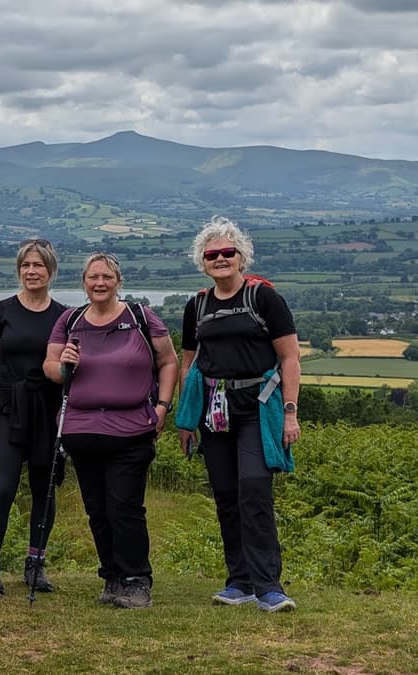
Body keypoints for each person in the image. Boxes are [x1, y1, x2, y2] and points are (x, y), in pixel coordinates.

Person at [177, 216, 301, 613]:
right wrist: (185, 419)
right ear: (202, 262)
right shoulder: (197, 306)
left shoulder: (263, 299)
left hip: (257, 408)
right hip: (214, 409)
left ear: (241, 257)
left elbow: (290, 358)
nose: (220, 259)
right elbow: (188, 363)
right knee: (227, 495)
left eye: (227, 252)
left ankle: (269, 587)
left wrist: (290, 413)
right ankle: (239, 581)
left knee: (254, 490)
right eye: (211, 254)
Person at [44, 253, 178, 609]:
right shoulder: (70, 321)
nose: (99, 283)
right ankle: (112, 577)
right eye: (93, 277)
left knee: (124, 507)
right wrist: (63, 365)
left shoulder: (140, 317)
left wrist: (163, 406)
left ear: (118, 281)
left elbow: (168, 360)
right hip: (81, 431)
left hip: (131, 430)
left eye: (106, 277)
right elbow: (50, 368)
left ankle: (136, 580)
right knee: (97, 509)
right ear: (83, 282)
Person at [0, 239, 69, 595]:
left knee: (44, 490)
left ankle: (35, 564)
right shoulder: (2, 311)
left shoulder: (64, 316)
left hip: (47, 409)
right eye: (26, 265)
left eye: (38, 265)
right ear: (18, 270)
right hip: (7, 409)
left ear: (50, 271)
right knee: (3, 488)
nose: (31, 271)